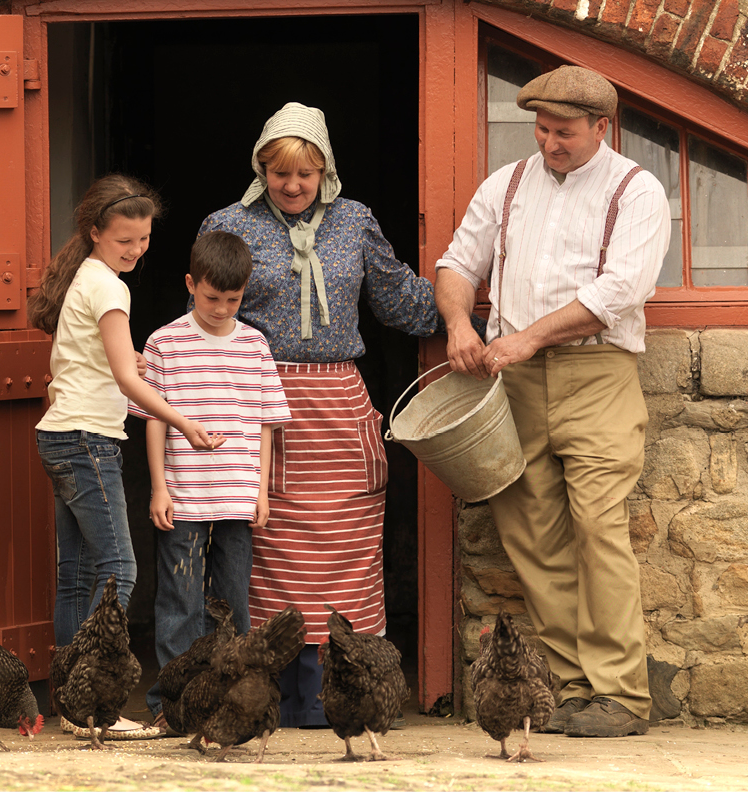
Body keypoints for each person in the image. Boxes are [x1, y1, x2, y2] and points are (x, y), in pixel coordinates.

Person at [433, 66, 671, 738]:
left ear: (603, 126)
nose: (550, 142)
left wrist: (527, 338)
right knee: (530, 531)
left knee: (599, 526)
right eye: (542, 128)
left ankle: (621, 694)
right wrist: (458, 324)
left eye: (565, 131)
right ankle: (572, 689)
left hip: (597, 372)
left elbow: (621, 288)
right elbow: (457, 264)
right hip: (515, 383)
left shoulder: (637, 189)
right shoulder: (506, 184)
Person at [200, 102, 439, 728]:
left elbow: (401, 300)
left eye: (305, 173)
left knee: (346, 547)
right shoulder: (229, 225)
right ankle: (269, 693)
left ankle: (336, 691)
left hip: (338, 406)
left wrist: (468, 308)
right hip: (263, 403)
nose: (293, 186)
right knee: (267, 541)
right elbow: (204, 318)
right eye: (279, 173)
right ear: (261, 167)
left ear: (325, 169)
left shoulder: (355, 222)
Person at [29, 174, 223, 733]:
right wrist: (184, 421)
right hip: (88, 440)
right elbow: (123, 377)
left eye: (143, 239)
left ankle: (72, 705)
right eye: (125, 241)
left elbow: (94, 361)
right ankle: (94, 701)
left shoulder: (86, 277)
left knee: (78, 574)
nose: (136, 249)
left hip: (62, 435)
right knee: (120, 569)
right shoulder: (111, 288)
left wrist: (136, 362)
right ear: (95, 233)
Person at [130, 230, 292, 727]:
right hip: (184, 496)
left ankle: (230, 702)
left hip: (238, 496)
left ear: (245, 291)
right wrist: (160, 487)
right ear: (190, 284)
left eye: (233, 299)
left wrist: (261, 490)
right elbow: (153, 419)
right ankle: (173, 705)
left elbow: (266, 422)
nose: (222, 308)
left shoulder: (254, 344)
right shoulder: (165, 342)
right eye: (210, 297)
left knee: (233, 601)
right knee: (179, 600)